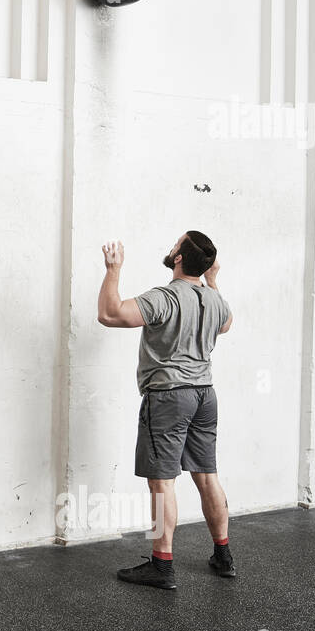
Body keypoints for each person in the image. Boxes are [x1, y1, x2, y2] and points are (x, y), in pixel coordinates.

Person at [96, 232, 234, 590]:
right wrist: (213, 280)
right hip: (205, 395)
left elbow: (110, 314)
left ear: (177, 259)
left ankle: (162, 563)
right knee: (207, 475)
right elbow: (226, 324)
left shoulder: (165, 297)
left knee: (162, 482)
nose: (171, 247)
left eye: (175, 244)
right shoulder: (213, 299)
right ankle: (223, 555)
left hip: (170, 397)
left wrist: (113, 270)